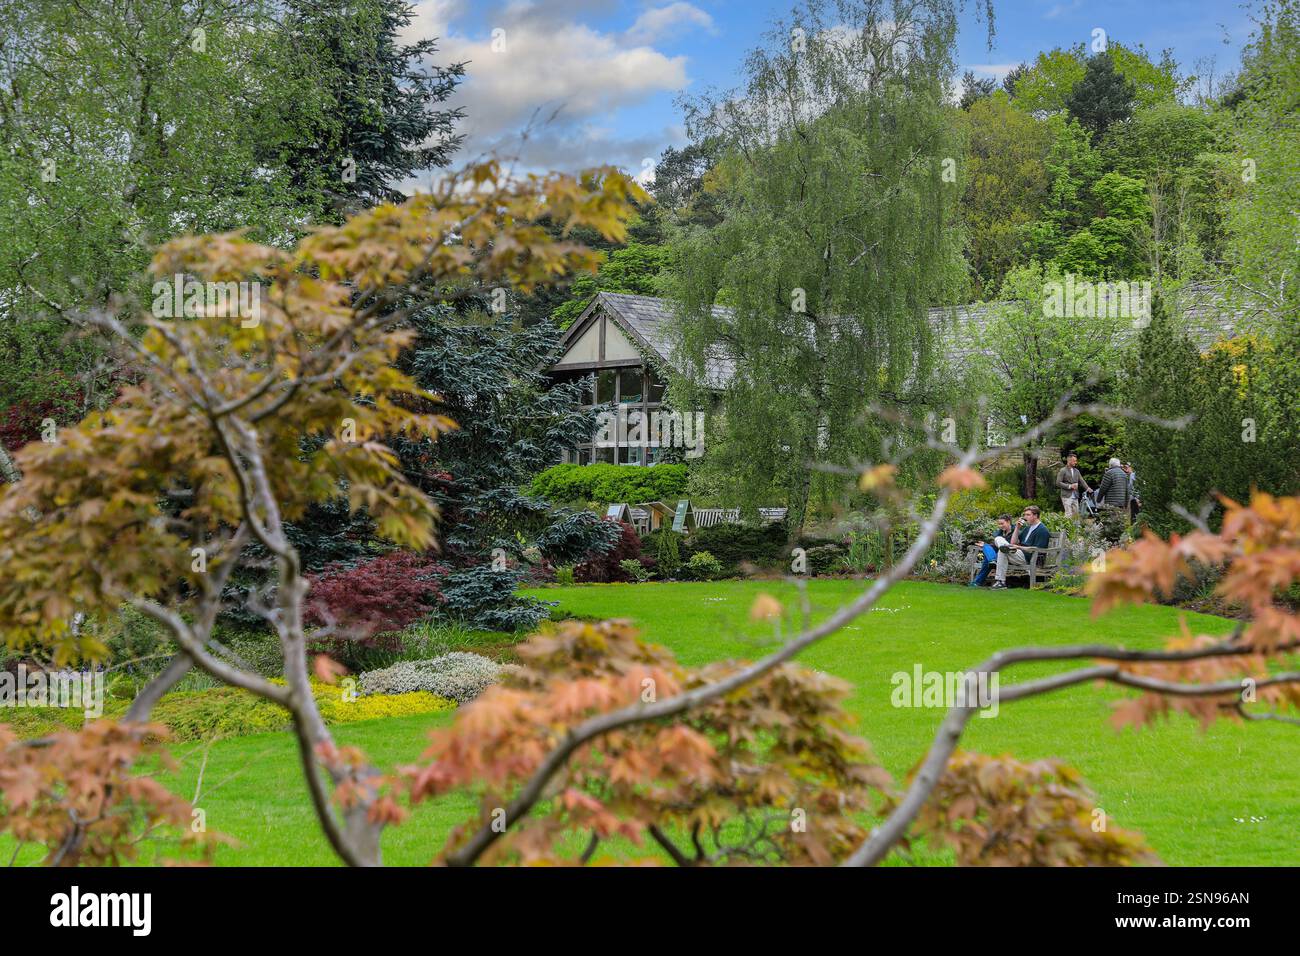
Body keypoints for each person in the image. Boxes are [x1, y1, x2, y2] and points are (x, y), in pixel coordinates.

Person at [992, 505, 1050, 589]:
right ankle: (1001, 581)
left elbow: (1037, 549)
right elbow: (1013, 542)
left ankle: (1001, 582)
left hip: (1030, 558)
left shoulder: (1042, 530)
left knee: (1002, 551)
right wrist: (1017, 528)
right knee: (998, 539)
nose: (1025, 517)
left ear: (1035, 516)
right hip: (1019, 554)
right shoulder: (1028, 528)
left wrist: (1018, 548)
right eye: (1025, 515)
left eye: (1028, 515)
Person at [969, 515, 1015, 587]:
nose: (1000, 526)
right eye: (999, 524)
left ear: (1008, 522)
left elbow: (1014, 545)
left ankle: (977, 582)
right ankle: (993, 560)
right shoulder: (999, 533)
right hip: (998, 553)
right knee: (986, 547)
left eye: (1002, 523)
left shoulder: (1016, 532)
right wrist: (985, 545)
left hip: (1008, 555)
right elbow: (994, 546)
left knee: (987, 560)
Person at [1055, 453, 1093, 518]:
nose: (1076, 462)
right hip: (1066, 495)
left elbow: (1082, 481)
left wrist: (1088, 488)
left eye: (1076, 460)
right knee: (1068, 514)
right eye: (1074, 461)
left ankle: (1075, 528)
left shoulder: (1077, 471)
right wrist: (1070, 486)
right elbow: (1058, 483)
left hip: (1075, 495)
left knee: (1076, 514)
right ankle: (1066, 528)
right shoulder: (1063, 470)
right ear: (1069, 460)